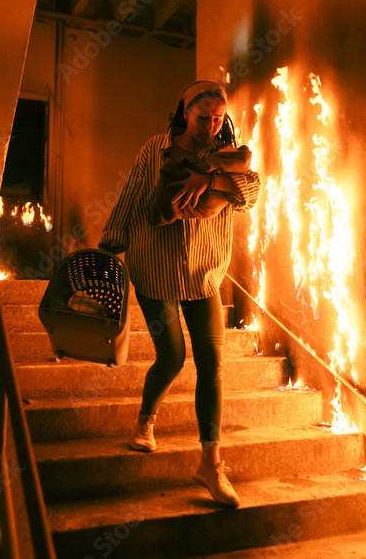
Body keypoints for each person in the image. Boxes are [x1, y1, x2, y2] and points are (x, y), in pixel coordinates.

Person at [99, 80, 260, 507]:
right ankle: (144, 423)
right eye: (204, 117)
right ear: (185, 112)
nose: (211, 125)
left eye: (218, 118)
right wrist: (111, 240)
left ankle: (211, 462)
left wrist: (208, 176)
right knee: (171, 356)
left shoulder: (227, 154)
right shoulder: (156, 148)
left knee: (213, 362)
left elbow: (253, 190)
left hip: (204, 273)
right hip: (153, 270)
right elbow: (135, 193)